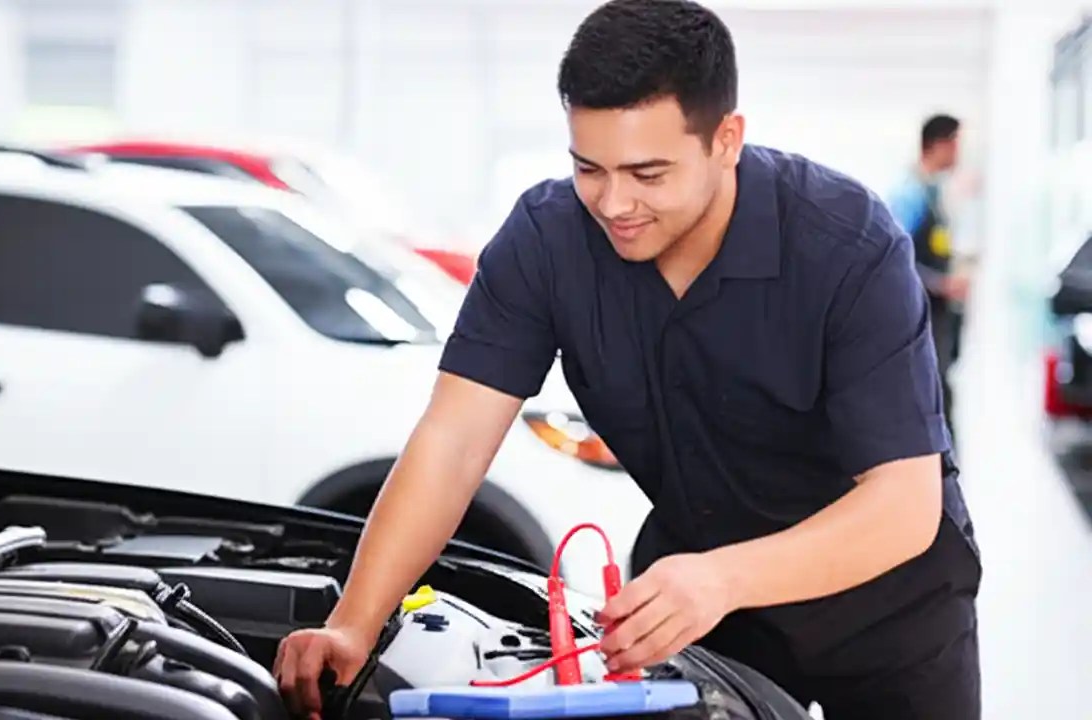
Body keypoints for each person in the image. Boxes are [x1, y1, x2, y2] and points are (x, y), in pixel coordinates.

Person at [274, 1, 981, 718]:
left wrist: (723, 579)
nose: (614, 203)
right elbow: (453, 442)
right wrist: (354, 621)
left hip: (887, 607)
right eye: (590, 167)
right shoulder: (546, 242)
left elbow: (902, 507)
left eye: (648, 172)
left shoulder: (847, 244)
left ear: (727, 139)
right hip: (699, 611)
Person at [887, 115, 972, 440]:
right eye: (956, 144)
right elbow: (894, 260)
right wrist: (940, 284)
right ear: (939, 144)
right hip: (919, 313)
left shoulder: (933, 192)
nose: (958, 153)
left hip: (938, 313)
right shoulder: (909, 196)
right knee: (927, 393)